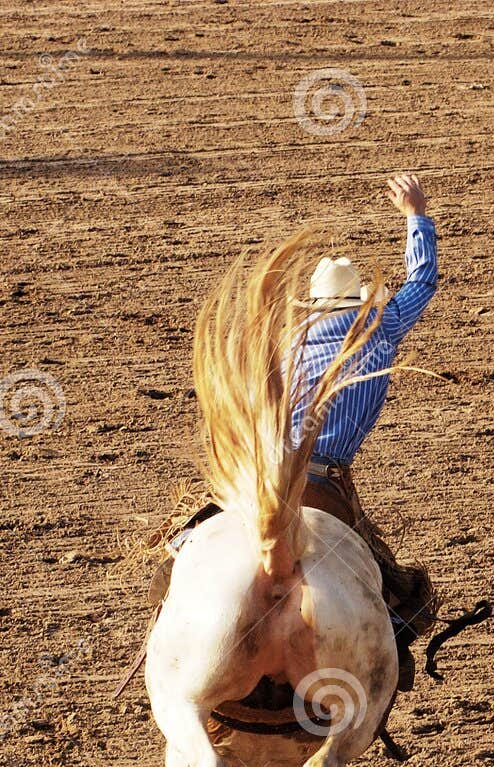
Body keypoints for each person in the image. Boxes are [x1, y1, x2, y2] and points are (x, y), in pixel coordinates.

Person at [148, 175, 440, 695]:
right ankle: (389, 650)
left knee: (184, 548)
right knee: (391, 590)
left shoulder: (290, 338)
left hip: (264, 470)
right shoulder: (382, 325)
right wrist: (415, 214)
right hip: (327, 476)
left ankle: (169, 629)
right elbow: (423, 280)